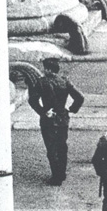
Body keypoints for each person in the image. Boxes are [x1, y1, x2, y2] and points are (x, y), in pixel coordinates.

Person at [27, 56, 84, 185]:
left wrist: (43, 111)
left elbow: (32, 100)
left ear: (47, 69)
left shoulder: (41, 82)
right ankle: (62, 173)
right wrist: (71, 109)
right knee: (62, 146)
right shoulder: (64, 81)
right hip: (63, 117)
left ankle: (56, 176)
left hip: (48, 118)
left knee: (51, 148)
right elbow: (80, 97)